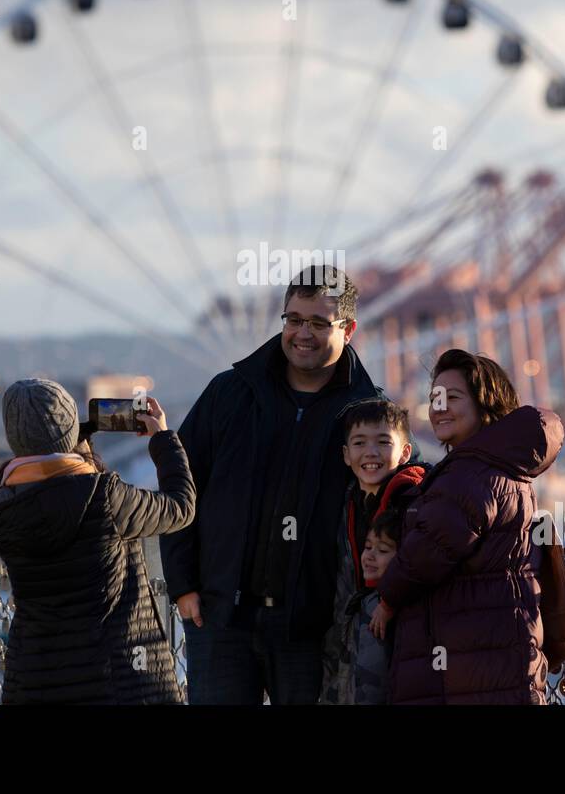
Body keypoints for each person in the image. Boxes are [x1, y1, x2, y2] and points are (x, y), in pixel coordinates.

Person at [161, 265, 396, 704]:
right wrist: (183, 585)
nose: (302, 333)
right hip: (220, 618)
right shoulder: (230, 392)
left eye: (318, 323)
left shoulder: (368, 413)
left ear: (349, 330)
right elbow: (180, 485)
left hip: (313, 627)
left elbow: (403, 495)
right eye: (293, 319)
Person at [0, 378, 194, 704]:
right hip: (117, 679)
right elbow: (180, 508)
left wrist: (70, 450)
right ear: (69, 432)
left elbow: (52, 495)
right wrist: (163, 440)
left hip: (36, 681)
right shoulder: (104, 496)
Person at [372, 349, 565, 704]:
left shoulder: (471, 474)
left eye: (452, 397)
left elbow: (431, 549)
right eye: (434, 398)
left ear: (485, 403)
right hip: (493, 657)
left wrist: (387, 597)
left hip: (468, 667)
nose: (439, 407)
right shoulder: (500, 466)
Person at [320, 398, 425, 704]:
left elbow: (424, 562)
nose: (370, 452)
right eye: (359, 442)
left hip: (397, 637)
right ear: (345, 454)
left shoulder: (412, 501)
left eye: (383, 442)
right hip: (350, 638)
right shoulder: (349, 501)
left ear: (405, 452)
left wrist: (391, 599)